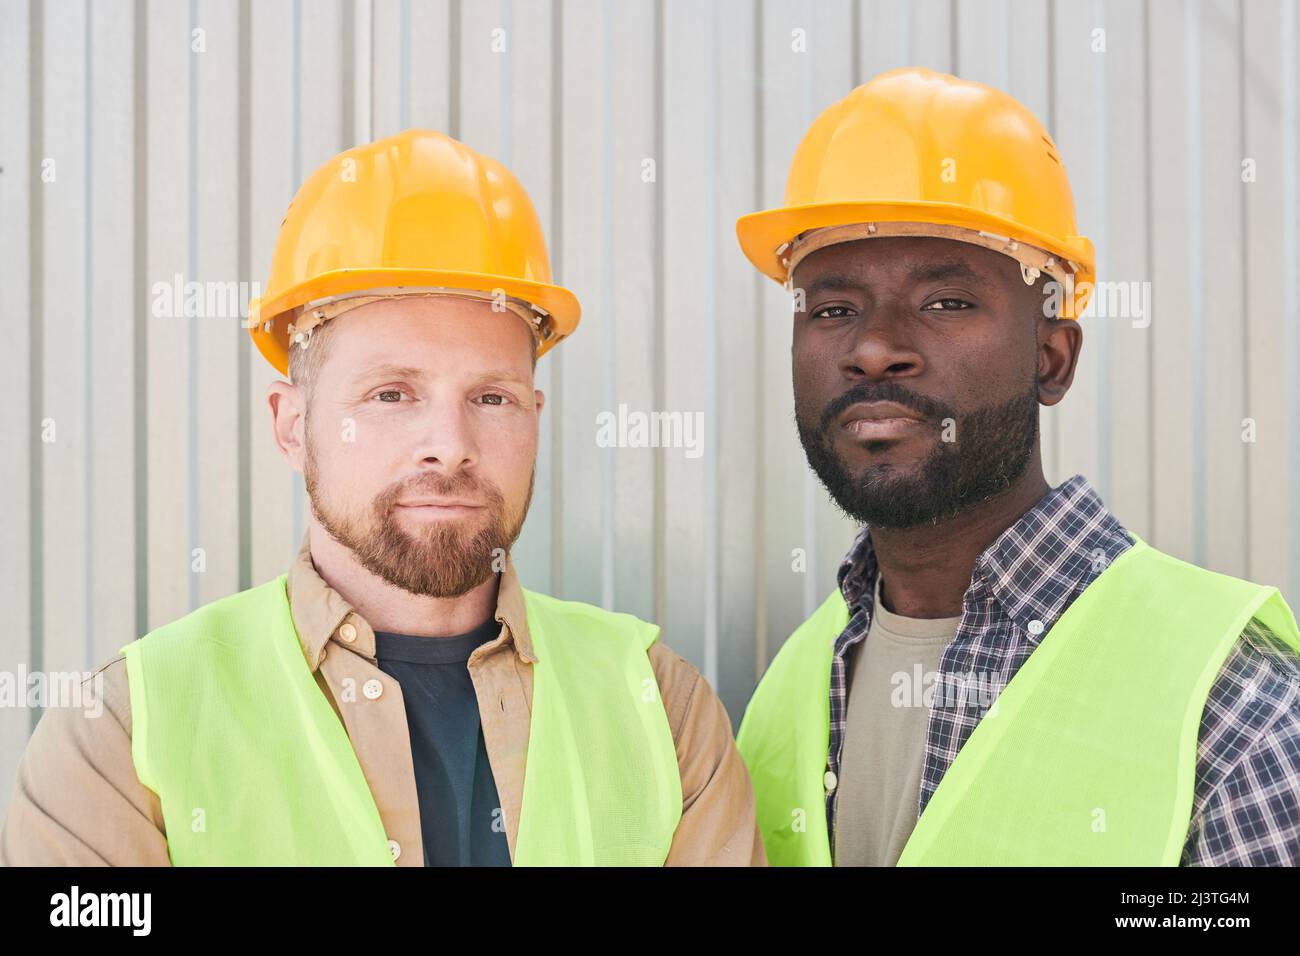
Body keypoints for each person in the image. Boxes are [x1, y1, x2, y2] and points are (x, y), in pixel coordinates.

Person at [1, 129, 764, 867]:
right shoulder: (124, 738)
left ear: (535, 419)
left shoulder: (661, 709)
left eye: (491, 398)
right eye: (392, 393)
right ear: (292, 426)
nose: (450, 442)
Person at [734, 68, 1300, 866]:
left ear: (1051, 357)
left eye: (945, 302)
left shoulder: (1234, 707)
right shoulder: (787, 692)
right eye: (831, 310)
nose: (871, 348)